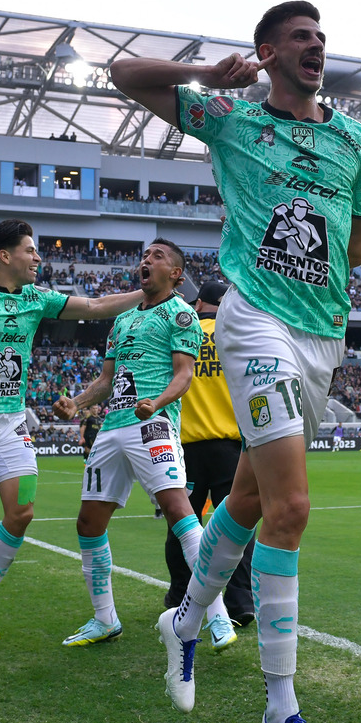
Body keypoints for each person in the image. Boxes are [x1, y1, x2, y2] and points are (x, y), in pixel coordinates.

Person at [110, 0, 361, 723]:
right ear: (266, 53)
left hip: (321, 335)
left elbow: (358, 244)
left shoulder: (358, 142)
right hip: (254, 319)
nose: (316, 46)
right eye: (300, 37)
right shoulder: (229, 115)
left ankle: (187, 620)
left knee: (254, 498)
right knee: (292, 507)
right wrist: (203, 72)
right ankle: (281, 714)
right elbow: (123, 74)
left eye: (321, 38)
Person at [0, 218, 142, 644]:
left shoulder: (37, 298)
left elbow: (94, 307)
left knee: (22, 512)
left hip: (12, 420)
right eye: (31, 250)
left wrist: (150, 293)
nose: (38, 257)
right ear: (5, 255)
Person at [50, 240, 234, 650]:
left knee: (179, 512)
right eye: (145, 255)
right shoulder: (123, 320)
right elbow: (105, 381)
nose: (146, 260)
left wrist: (159, 402)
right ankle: (104, 619)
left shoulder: (182, 314)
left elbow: (184, 375)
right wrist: (76, 405)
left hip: (153, 425)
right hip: (113, 428)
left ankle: (218, 616)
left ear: (177, 275)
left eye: (158, 256)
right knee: (88, 523)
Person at [166, 279, 256, 629]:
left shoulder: (182, 333)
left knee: (183, 524)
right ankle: (240, 602)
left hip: (185, 446)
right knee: (237, 527)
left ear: (199, 302)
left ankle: (178, 597)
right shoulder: (237, 331)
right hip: (231, 447)